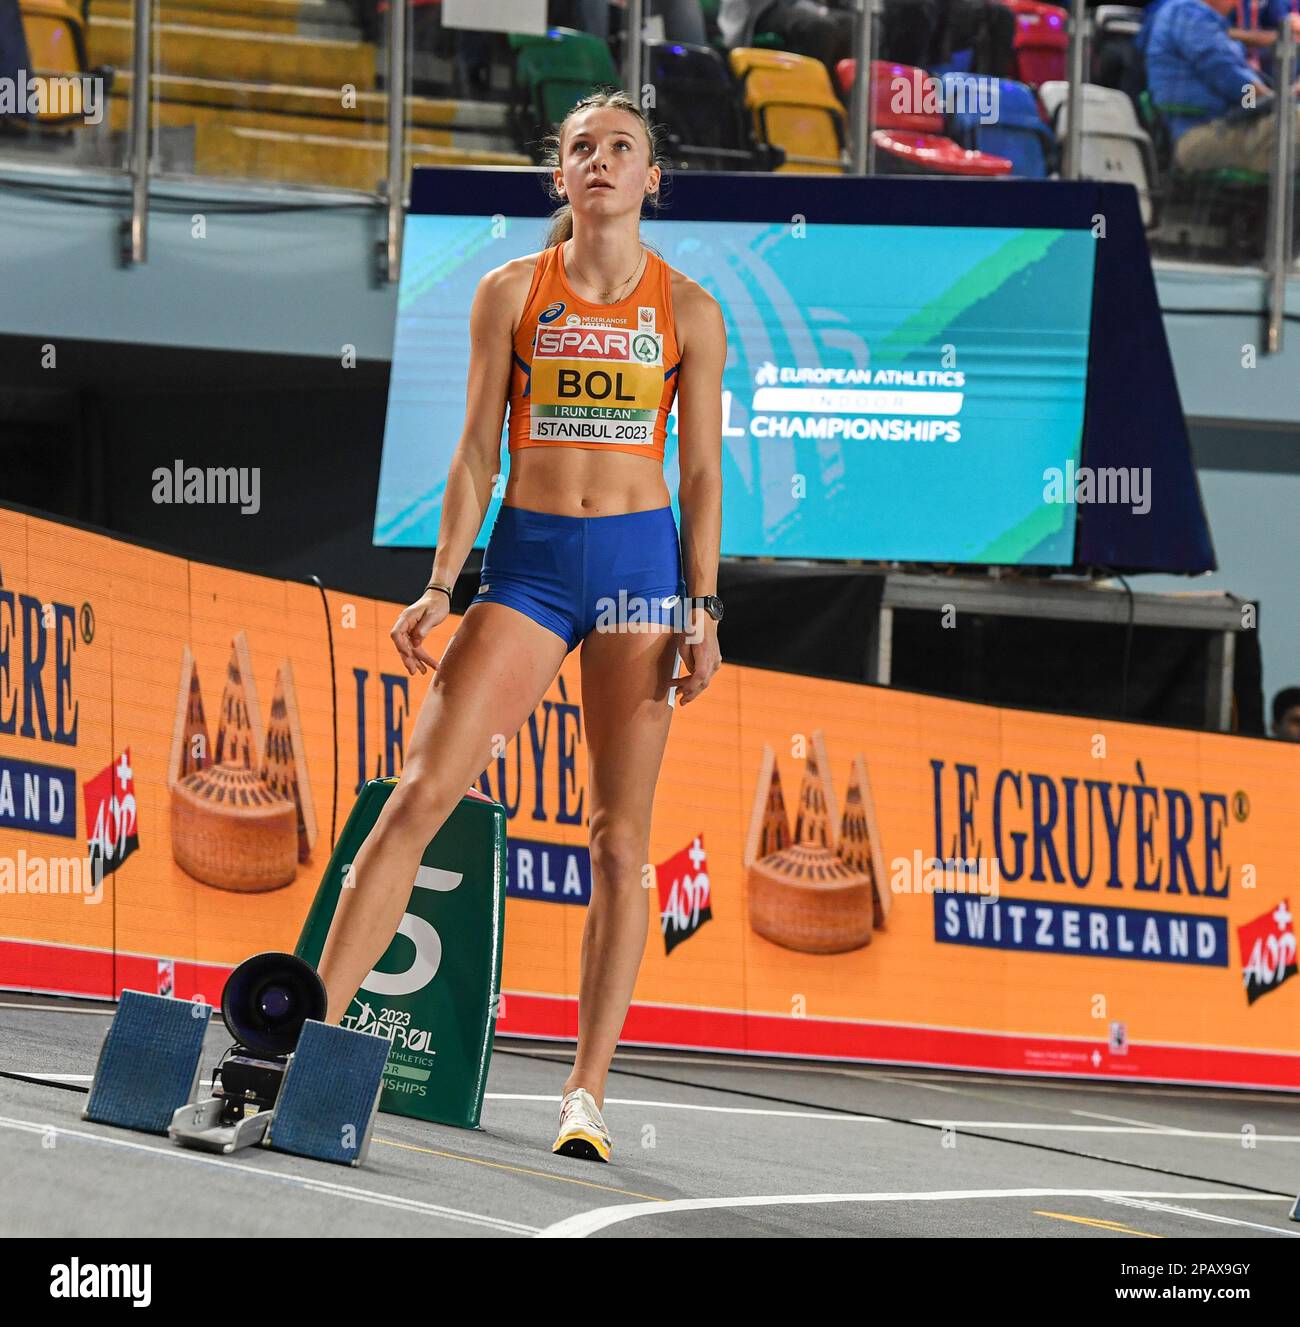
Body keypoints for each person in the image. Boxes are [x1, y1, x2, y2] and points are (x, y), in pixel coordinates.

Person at [315, 88, 725, 1165]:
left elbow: (699, 471)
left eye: (621, 148)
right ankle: (306, 1033)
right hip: (533, 567)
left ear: (649, 180)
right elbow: (472, 456)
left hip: (638, 575)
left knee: (620, 838)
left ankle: (585, 1094)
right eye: (581, 147)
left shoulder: (688, 310)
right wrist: (443, 583)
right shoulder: (508, 292)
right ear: (560, 177)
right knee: (415, 796)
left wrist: (703, 606)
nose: (600, 161)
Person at [1145, 0, 1300, 174]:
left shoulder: (1208, 20)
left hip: (1229, 126)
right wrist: (1274, 100)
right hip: (1202, 134)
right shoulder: (1188, 14)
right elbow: (1233, 81)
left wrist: (1277, 99)